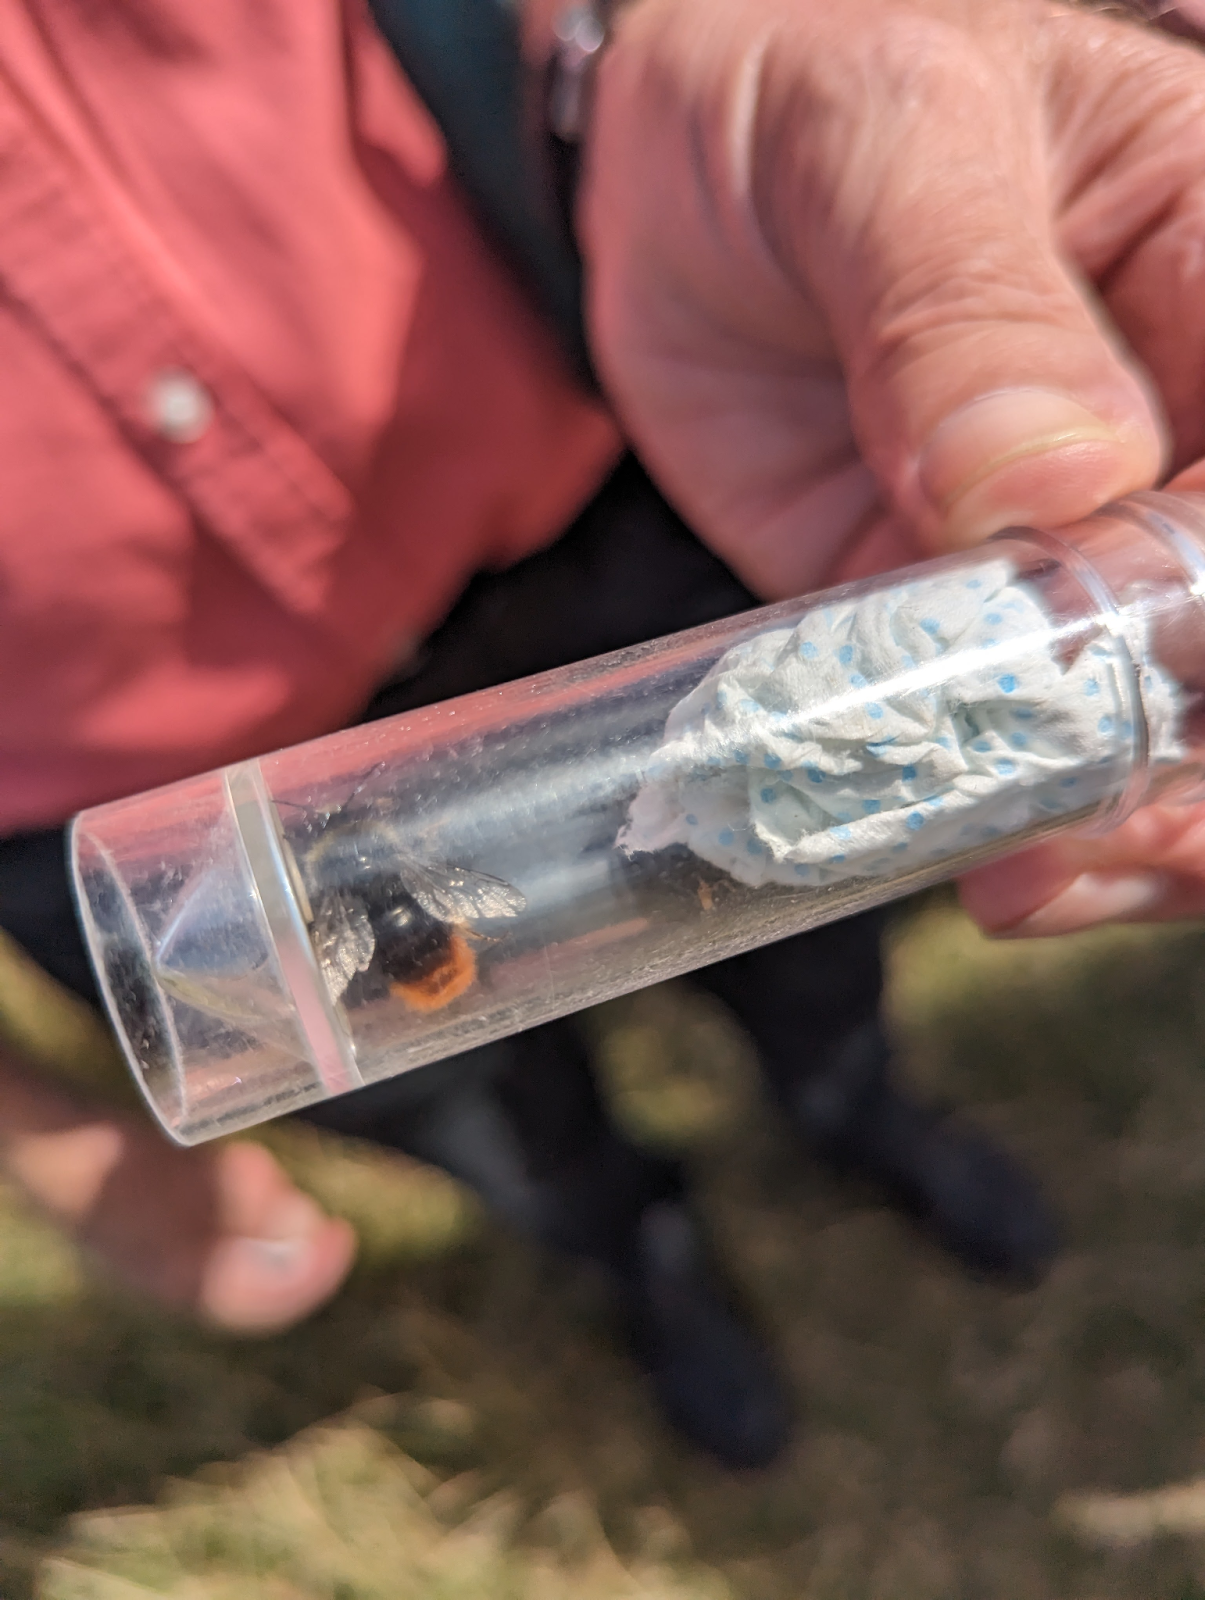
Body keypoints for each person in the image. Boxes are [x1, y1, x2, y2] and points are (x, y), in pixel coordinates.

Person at [0, 0, 1203, 1468]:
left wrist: (641, 54)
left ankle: (856, 1109)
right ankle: (643, 1257)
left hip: (593, 491)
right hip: (165, 827)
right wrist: (46, 1140)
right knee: (491, 1116)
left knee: (810, 919)